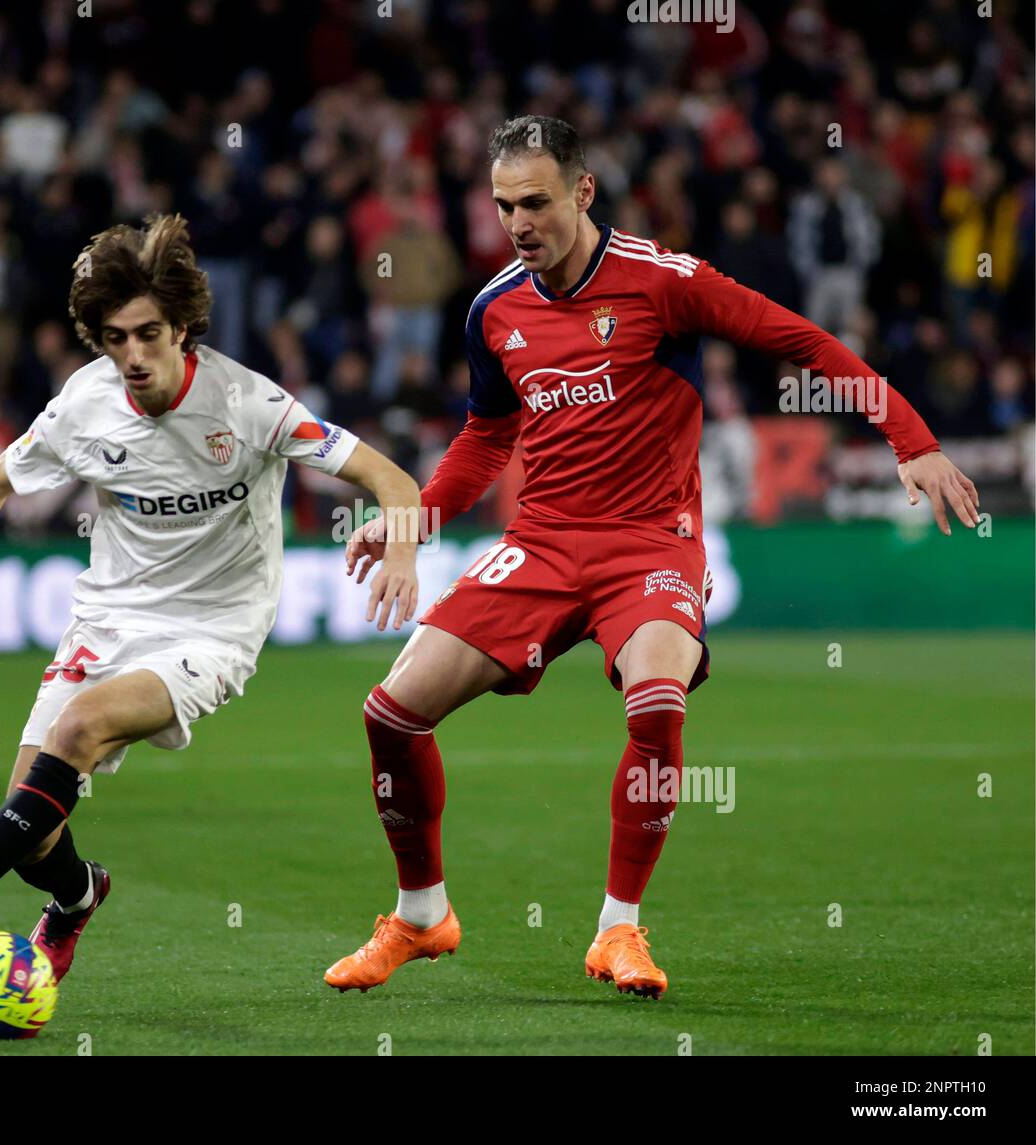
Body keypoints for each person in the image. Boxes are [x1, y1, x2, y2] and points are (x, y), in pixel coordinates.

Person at [326, 117, 979, 1000]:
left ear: (583, 192)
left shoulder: (664, 282)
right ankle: (419, 913)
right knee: (391, 713)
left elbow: (803, 343)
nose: (518, 222)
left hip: (648, 544)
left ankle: (617, 929)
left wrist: (912, 437)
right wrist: (415, 522)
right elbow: (486, 437)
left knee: (658, 702)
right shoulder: (494, 309)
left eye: (537, 202)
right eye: (503, 205)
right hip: (542, 544)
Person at [0, 214, 422, 989]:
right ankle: (75, 895)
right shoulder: (83, 406)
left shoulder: (250, 404)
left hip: (216, 626)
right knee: (30, 825)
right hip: (109, 615)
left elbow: (392, 480)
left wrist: (400, 547)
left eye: (147, 333)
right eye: (113, 337)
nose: (131, 354)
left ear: (183, 327)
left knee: (80, 727)